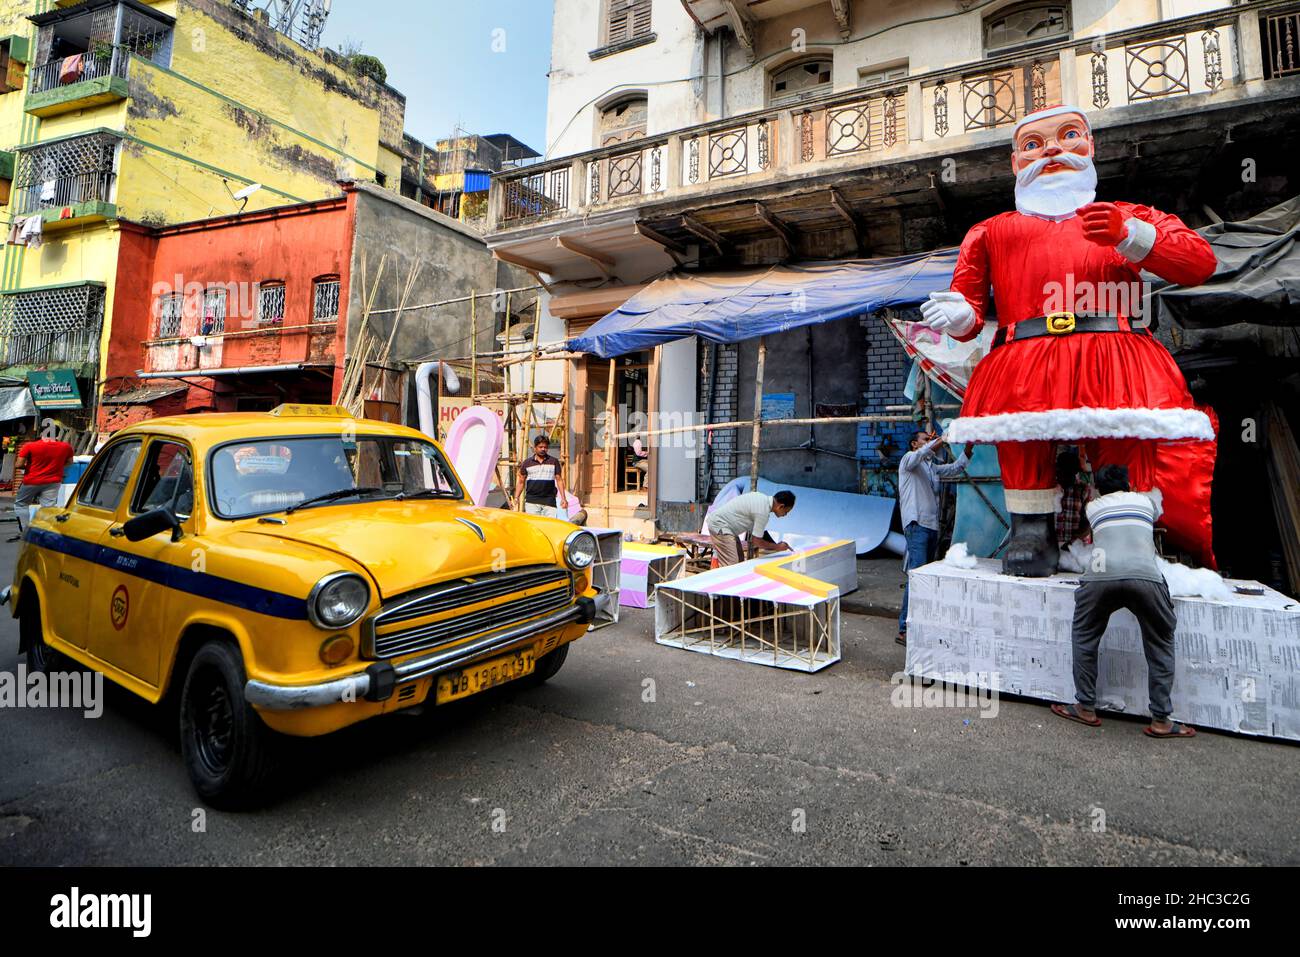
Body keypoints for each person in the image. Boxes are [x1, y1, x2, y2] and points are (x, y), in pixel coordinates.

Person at [920, 104, 1217, 576]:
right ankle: (1030, 532)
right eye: (1033, 145)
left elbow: (1199, 263)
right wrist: (957, 315)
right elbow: (971, 312)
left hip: (1112, 348)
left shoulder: (1126, 215)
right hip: (1025, 352)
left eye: (1068, 135)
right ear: (1017, 163)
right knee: (1022, 440)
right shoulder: (990, 231)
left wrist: (1130, 237)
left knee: (1117, 441)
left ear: (1091, 145)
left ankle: (1122, 533)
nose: (1052, 150)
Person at [1050, 464, 1194, 739]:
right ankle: (1162, 719)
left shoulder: (1094, 507)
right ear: (1128, 484)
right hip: (1146, 576)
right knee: (1161, 641)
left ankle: (1085, 707)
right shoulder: (1145, 502)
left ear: (1100, 488)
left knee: (1084, 636)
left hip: (1101, 575)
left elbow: (1089, 532)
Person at [897, 430, 971, 645]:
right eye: (925, 439)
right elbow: (923, 453)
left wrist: (968, 449)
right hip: (917, 525)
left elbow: (956, 468)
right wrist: (942, 439)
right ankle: (904, 628)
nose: (929, 442)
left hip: (930, 527)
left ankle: (919, 623)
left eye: (930, 439)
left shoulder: (931, 468)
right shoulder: (908, 461)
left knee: (924, 577)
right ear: (914, 444)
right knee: (917, 577)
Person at [705, 489, 795, 566]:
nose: (785, 515)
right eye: (786, 512)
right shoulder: (763, 511)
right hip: (720, 525)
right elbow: (757, 541)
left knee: (740, 561)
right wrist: (777, 547)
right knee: (732, 565)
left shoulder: (762, 499)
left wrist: (776, 545)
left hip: (726, 527)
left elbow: (759, 534)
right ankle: (724, 585)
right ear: (781, 506)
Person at [14, 431, 75, 527]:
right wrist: (56, 467)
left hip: (32, 480)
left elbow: (19, 464)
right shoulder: (66, 447)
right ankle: (46, 530)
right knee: (48, 507)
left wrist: (29, 468)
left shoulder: (29, 446)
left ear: (42, 433)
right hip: (53, 481)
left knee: (21, 504)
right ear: (57, 434)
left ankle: (25, 530)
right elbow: (70, 462)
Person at [517, 434, 565, 518]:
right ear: (535, 447)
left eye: (545, 447)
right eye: (540, 447)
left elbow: (559, 480)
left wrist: (563, 498)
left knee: (548, 527)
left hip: (549, 501)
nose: (543, 449)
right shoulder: (527, 463)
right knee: (534, 527)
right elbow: (521, 482)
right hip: (532, 502)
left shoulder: (554, 461)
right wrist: (516, 497)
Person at [1055, 447, 1090, 546]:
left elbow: (1088, 520)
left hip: (1074, 548)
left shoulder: (1083, 489)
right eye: (1060, 471)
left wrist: (1078, 537)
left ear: (1075, 472)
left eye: (1067, 472)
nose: (1062, 475)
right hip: (1051, 546)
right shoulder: (1051, 488)